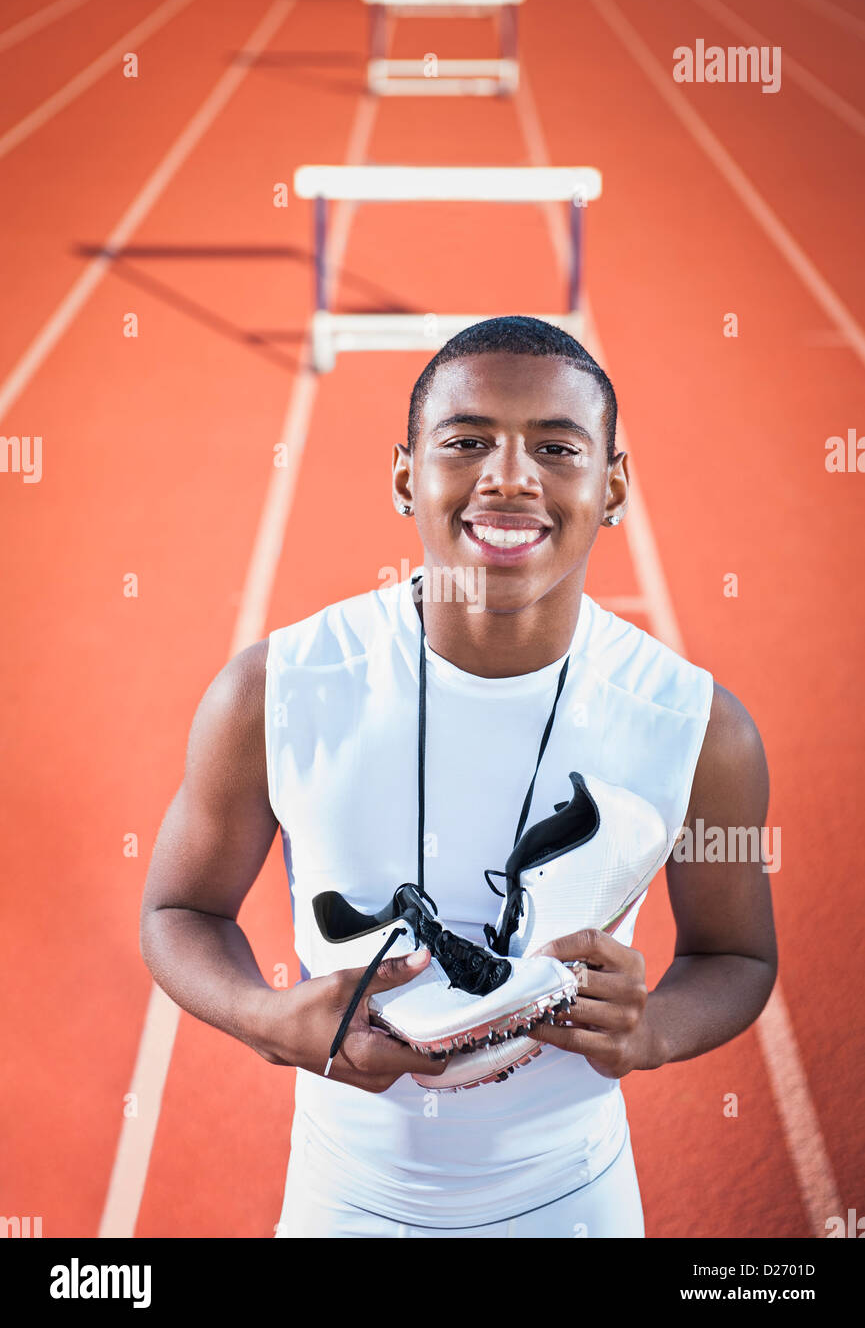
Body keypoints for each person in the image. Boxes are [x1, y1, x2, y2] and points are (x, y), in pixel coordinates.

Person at [140, 315, 777, 1238]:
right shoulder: (274, 691)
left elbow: (736, 957)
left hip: (572, 1200)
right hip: (343, 1198)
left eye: (556, 447)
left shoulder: (699, 729)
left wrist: (652, 1031)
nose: (510, 476)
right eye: (467, 441)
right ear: (407, 476)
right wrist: (265, 1018)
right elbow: (178, 909)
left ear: (613, 486)